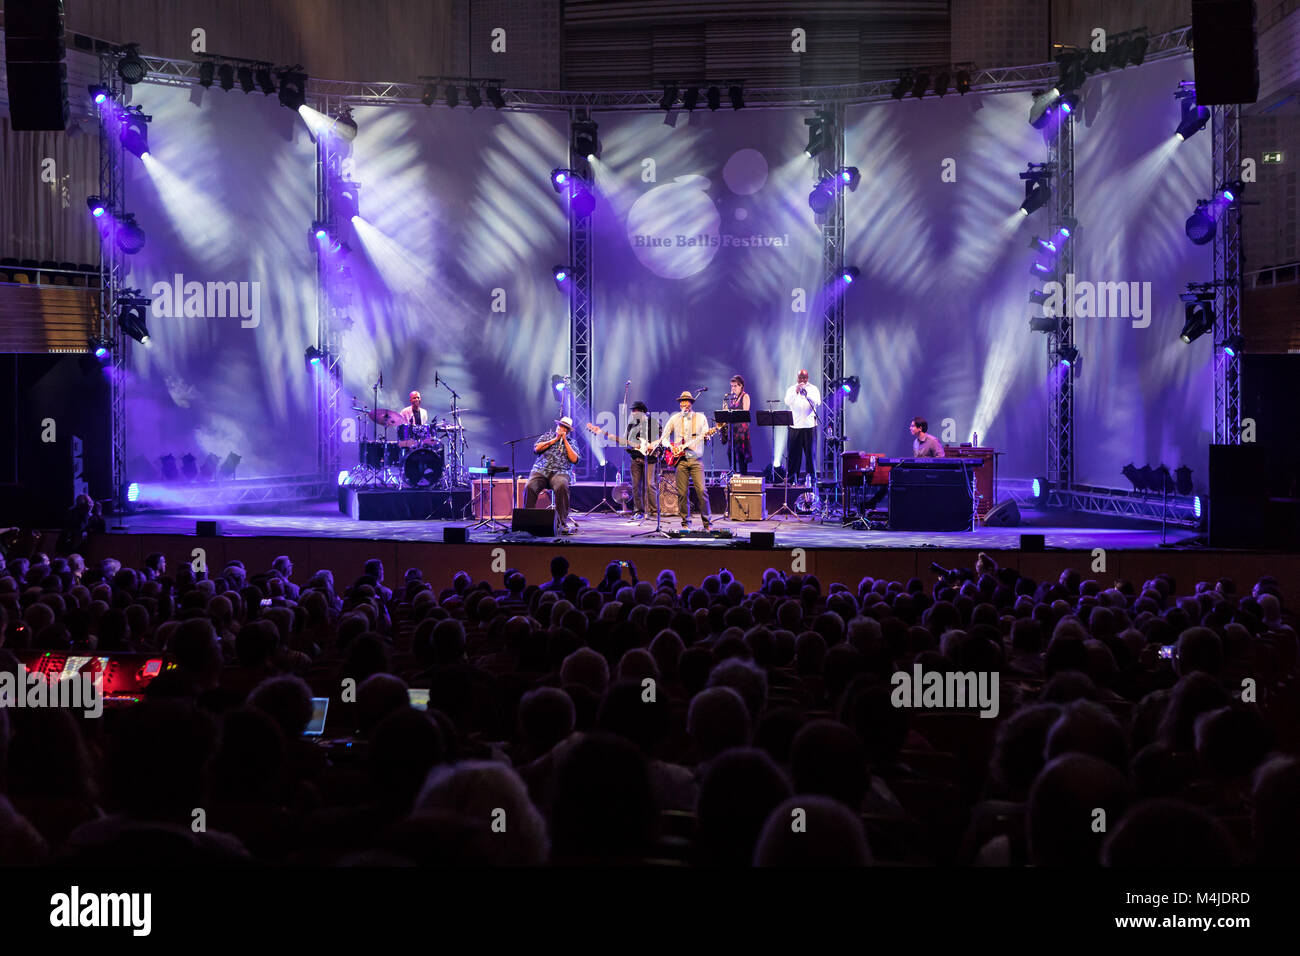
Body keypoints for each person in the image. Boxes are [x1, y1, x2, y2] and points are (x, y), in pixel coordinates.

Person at [661, 391, 714, 531]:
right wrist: (672, 447)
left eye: (687, 401)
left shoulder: (701, 418)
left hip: (696, 460)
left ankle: (707, 524)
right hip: (681, 460)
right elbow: (664, 438)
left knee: (702, 491)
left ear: (691, 403)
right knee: (682, 493)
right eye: (682, 401)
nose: (684, 404)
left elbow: (707, 438)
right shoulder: (674, 418)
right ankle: (685, 523)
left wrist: (707, 438)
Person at [526, 416, 581, 534]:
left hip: (560, 472)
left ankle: (561, 523)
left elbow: (574, 459)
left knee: (561, 485)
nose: (561, 428)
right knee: (530, 486)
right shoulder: (546, 436)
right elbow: (537, 449)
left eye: (564, 427)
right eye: (560, 425)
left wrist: (565, 441)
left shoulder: (572, 442)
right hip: (541, 470)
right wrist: (554, 440)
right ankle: (528, 521)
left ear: (568, 430)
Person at [783, 369, 820, 485]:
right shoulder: (792, 389)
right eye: (800, 378)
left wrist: (806, 394)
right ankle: (791, 480)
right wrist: (796, 391)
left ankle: (811, 480)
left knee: (810, 456)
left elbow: (817, 402)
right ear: (797, 378)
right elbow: (787, 401)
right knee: (794, 456)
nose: (802, 380)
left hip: (809, 426)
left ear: (807, 378)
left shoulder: (813, 389)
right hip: (795, 426)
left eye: (804, 378)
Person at [626, 402, 657, 522]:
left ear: (643, 412)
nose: (633, 413)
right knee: (635, 486)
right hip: (635, 458)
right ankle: (638, 510)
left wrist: (651, 445)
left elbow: (660, 439)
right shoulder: (631, 425)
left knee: (649, 485)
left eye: (635, 411)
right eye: (632, 411)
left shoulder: (653, 423)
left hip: (649, 458)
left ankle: (653, 510)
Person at [720, 375, 752, 476]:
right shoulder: (732, 399)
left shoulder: (745, 396)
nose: (732, 388)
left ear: (741, 386)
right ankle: (732, 474)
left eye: (734, 386)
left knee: (741, 455)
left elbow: (745, 412)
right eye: (731, 386)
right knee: (730, 453)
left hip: (741, 431)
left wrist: (732, 412)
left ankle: (744, 475)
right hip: (732, 430)